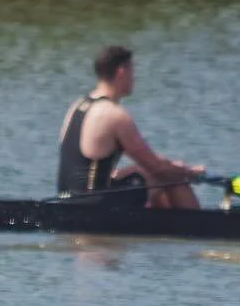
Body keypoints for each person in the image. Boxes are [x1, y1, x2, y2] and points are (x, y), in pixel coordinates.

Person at [56, 45, 201, 209]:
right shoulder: (114, 115)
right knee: (171, 177)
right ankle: (199, 229)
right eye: (133, 71)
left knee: (143, 173)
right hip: (93, 206)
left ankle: (157, 227)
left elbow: (84, 166)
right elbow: (157, 167)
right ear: (121, 72)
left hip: (65, 201)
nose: (134, 78)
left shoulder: (76, 106)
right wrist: (188, 172)